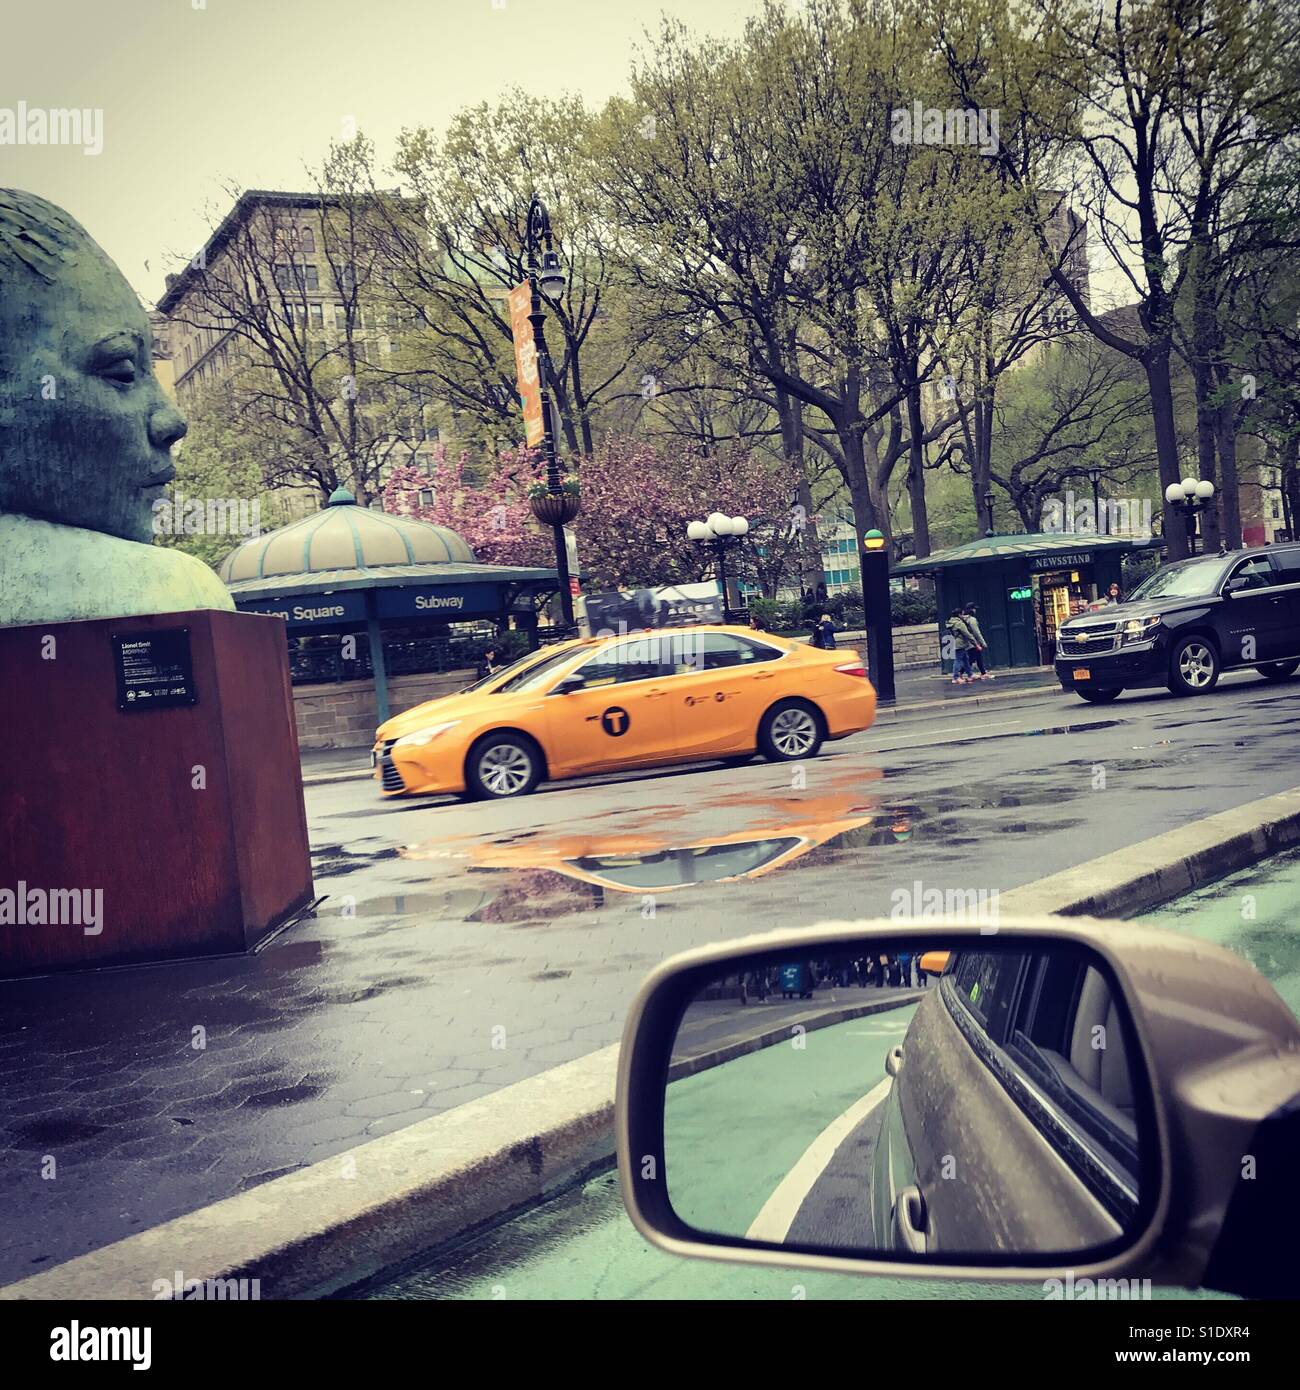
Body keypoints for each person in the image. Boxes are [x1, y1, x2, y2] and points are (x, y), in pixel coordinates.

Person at [962, 603, 995, 681]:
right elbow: (976, 632)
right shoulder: (972, 620)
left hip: (967, 642)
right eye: (974, 609)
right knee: (971, 659)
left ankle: (983, 673)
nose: (975, 610)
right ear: (971, 610)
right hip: (973, 642)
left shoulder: (964, 619)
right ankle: (960, 673)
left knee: (978, 658)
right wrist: (983, 643)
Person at [946, 608, 976, 684]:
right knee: (958, 660)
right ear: (959, 615)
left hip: (954, 642)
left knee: (965, 659)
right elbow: (967, 634)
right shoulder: (959, 623)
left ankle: (970, 674)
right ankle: (955, 677)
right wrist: (975, 643)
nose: (963, 616)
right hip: (960, 644)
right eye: (962, 614)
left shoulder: (951, 622)